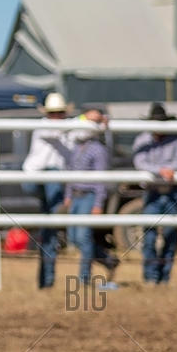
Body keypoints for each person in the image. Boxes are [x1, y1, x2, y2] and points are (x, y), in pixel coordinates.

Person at [132, 102, 177, 285]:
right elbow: (139, 162)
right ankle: (151, 277)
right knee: (149, 236)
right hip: (153, 191)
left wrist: (168, 169)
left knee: (170, 236)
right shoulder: (142, 140)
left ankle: (164, 277)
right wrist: (162, 170)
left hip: (173, 192)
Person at [23, 92, 73, 289]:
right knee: (50, 228)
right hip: (38, 179)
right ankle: (47, 281)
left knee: (48, 231)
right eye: (53, 113)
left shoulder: (67, 130)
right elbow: (60, 131)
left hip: (52, 182)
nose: (56, 116)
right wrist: (86, 118)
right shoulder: (44, 127)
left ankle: (46, 281)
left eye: (59, 113)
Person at [63, 111, 110, 287]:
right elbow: (71, 172)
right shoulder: (75, 146)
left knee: (83, 236)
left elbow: (101, 180)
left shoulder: (98, 149)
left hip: (89, 195)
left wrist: (98, 203)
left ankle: (84, 278)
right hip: (76, 195)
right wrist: (68, 195)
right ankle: (107, 259)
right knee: (75, 238)